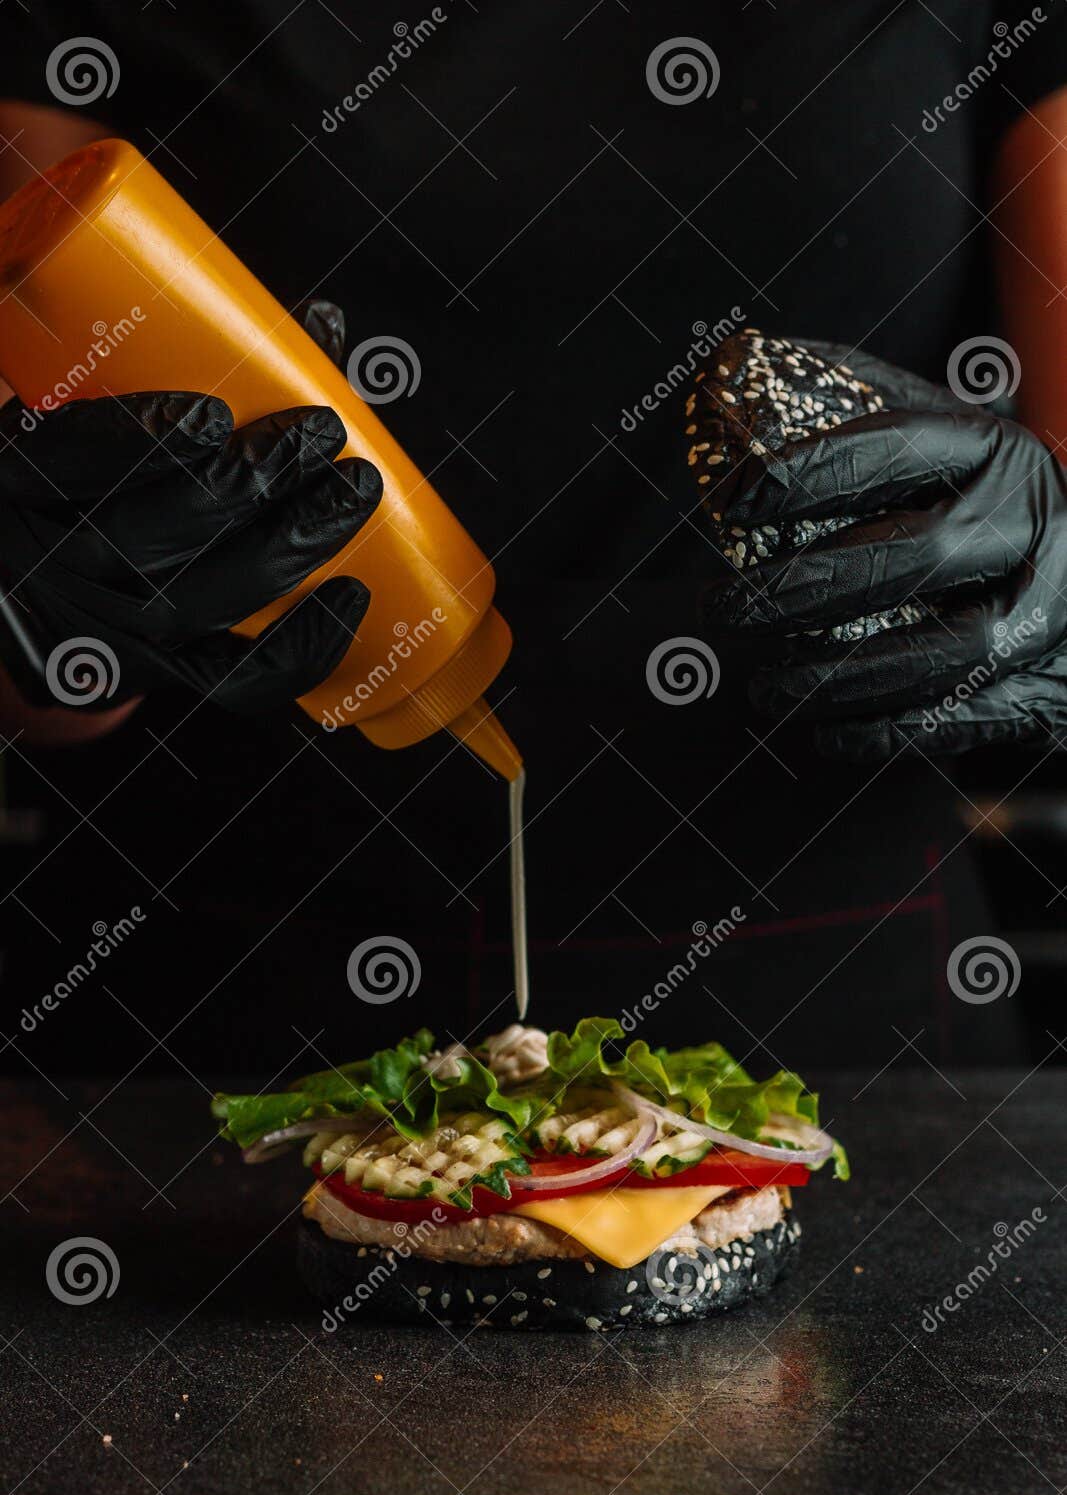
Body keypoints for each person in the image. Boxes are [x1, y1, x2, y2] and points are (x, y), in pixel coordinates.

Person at [0, 1, 1064, 1080]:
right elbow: (36, 332)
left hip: (838, 979)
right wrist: (54, 610)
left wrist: (1049, 546)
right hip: (209, 982)